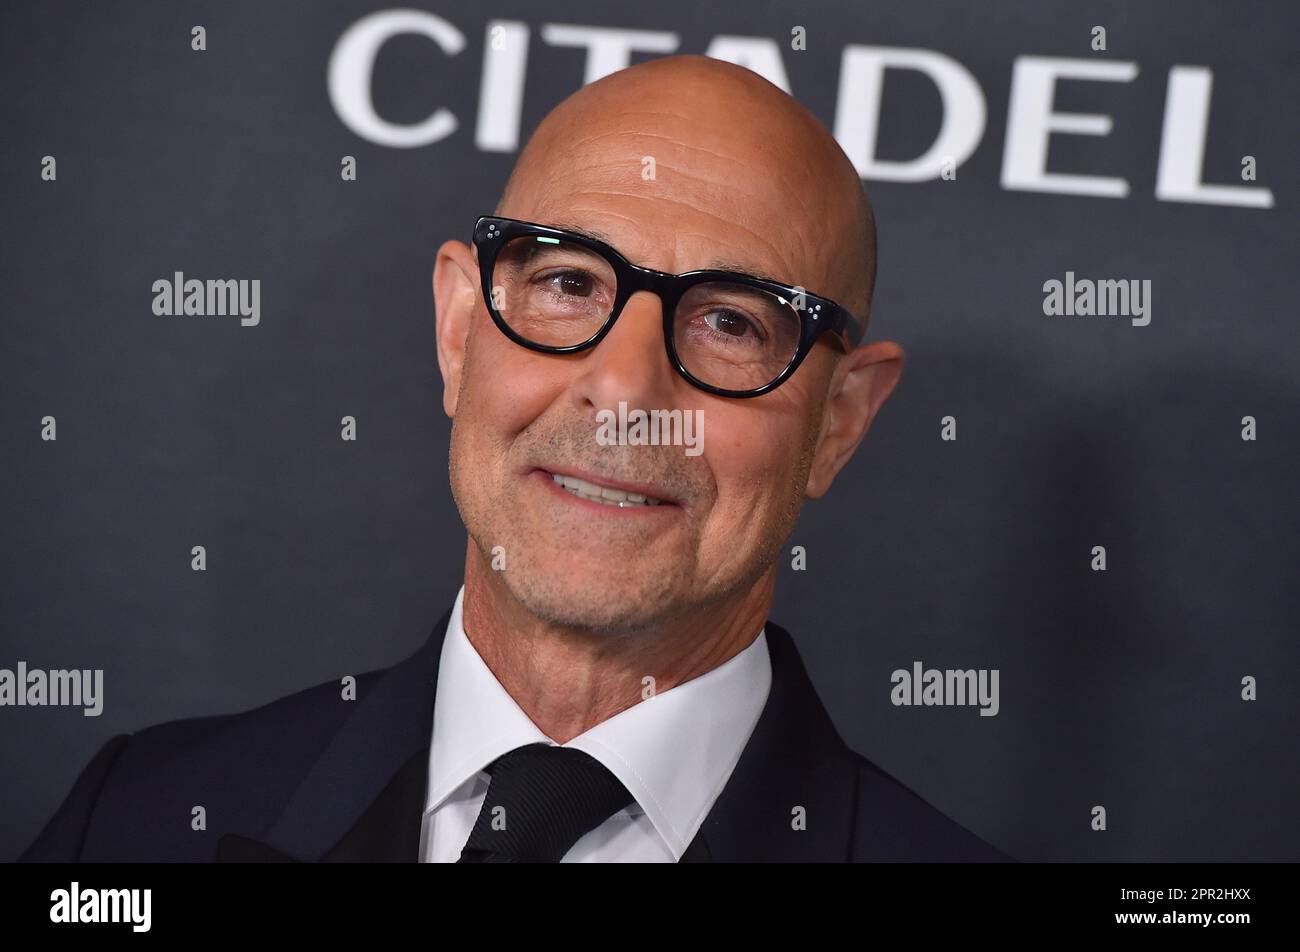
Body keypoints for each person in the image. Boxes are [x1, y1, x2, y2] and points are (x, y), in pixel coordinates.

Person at [20, 55, 1008, 863]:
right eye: (570, 282)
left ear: (840, 419)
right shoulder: (137, 824)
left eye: (728, 323)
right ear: (459, 332)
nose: (623, 391)